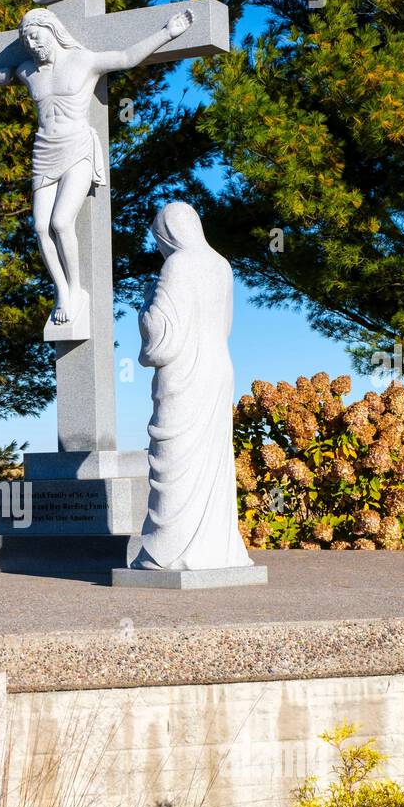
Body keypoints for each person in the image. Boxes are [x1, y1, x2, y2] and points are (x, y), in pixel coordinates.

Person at [0, 6, 193, 326]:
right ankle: (62, 291)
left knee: (60, 222)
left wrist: (168, 32)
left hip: (77, 147)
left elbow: (127, 57)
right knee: (40, 228)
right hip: (44, 150)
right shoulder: (27, 71)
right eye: (25, 38)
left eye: (35, 35)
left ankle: (76, 289)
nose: (31, 43)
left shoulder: (83, 60)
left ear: (52, 30)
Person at [132, 202, 253, 571]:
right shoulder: (221, 265)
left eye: (158, 238)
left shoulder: (178, 264)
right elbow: (227, 325)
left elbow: (163, 338)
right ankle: (215, 550)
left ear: (168, 233)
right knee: (211, 460)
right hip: (218, 367)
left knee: (175, 459)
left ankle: (168, 551)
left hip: (185, 373)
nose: (158, 247)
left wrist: (145, 308)